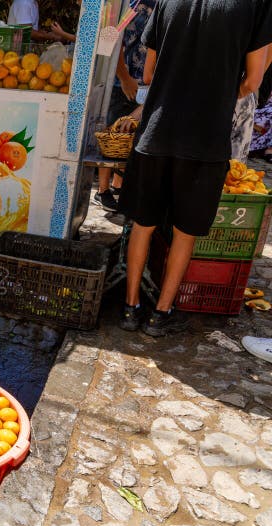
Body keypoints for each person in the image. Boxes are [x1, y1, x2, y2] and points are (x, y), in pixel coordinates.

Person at [118, 0, 272, 337]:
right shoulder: (257, 6)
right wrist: (224, 94)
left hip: (156, 133)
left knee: (143, 225)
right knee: (184, 234)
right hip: (205, 141)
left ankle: (130, 308)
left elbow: (147, 74)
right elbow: (256, 76)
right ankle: (161, 314)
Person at [95, 0, 156, 213]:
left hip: (148, 84)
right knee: (112, 135)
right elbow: (107, 39)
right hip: (121, 82)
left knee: (132, 140)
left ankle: (118, 187)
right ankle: (102, 190)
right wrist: (124, 76)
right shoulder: (125, 4)